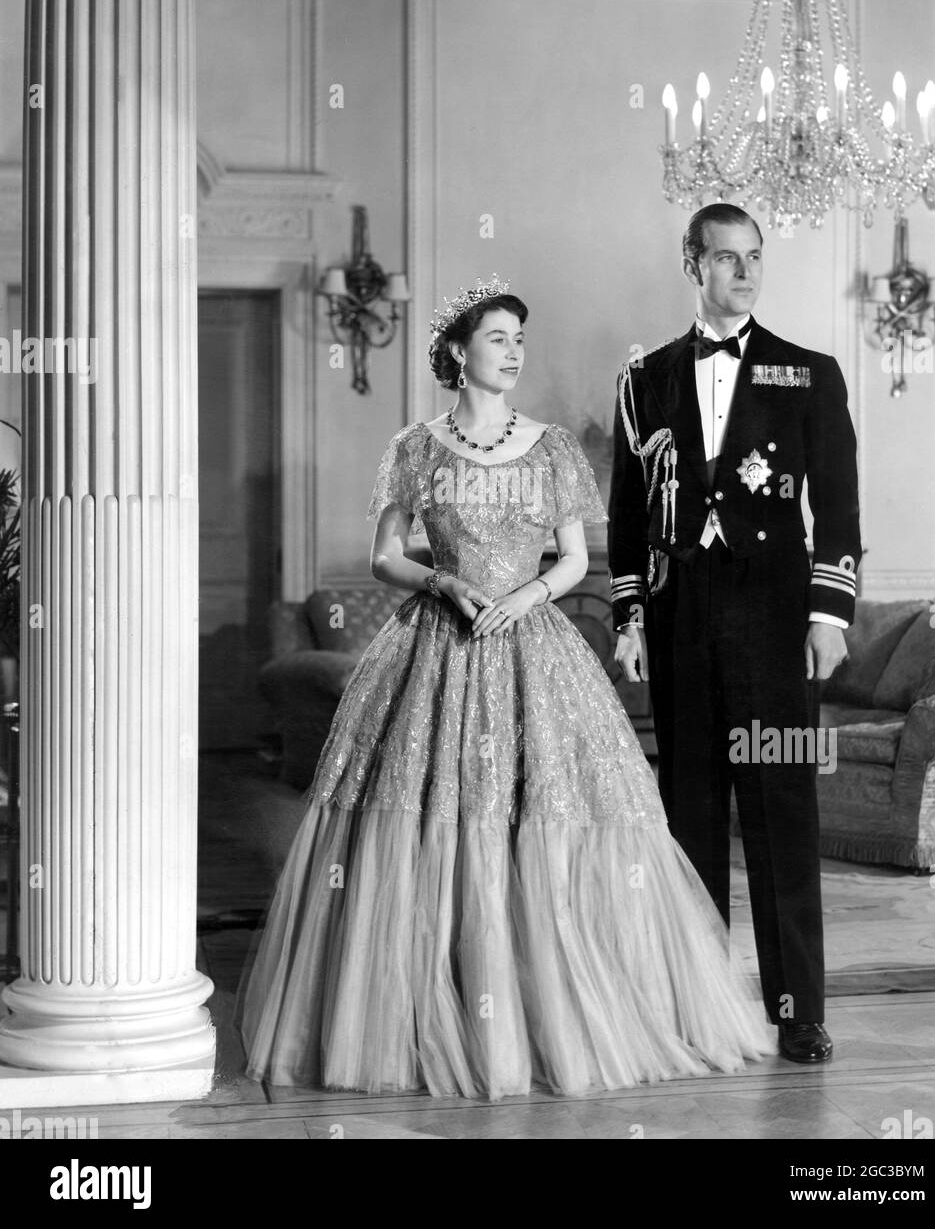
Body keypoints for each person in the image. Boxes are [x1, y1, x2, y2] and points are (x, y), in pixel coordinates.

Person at [239, 273, 776, 1100]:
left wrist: (528, 596)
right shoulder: (416, 447)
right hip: (438, 642)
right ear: (457, 353)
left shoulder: (552, 447)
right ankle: (438, 1002)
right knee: (429, 815)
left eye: (520, 339)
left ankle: (548, 1012)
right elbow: (385, 557)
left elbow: (573, 557)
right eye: (497, 338)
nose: (514, 352)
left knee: (545, 807)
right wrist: (443, 584)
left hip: (533, 646)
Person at [608, 203, 862, 1065]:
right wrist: (630, 615)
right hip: (679, 611)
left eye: (754, 257)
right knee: (689, 810)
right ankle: (698, 1008)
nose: (745, 272)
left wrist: (828, 615)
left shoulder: (808, 372)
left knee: (781, 807)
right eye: (725, 258)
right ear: (693, 264)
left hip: (776, 613)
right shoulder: (643, 378)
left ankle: (798, 1013)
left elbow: (838, 504)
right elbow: (626, 513)